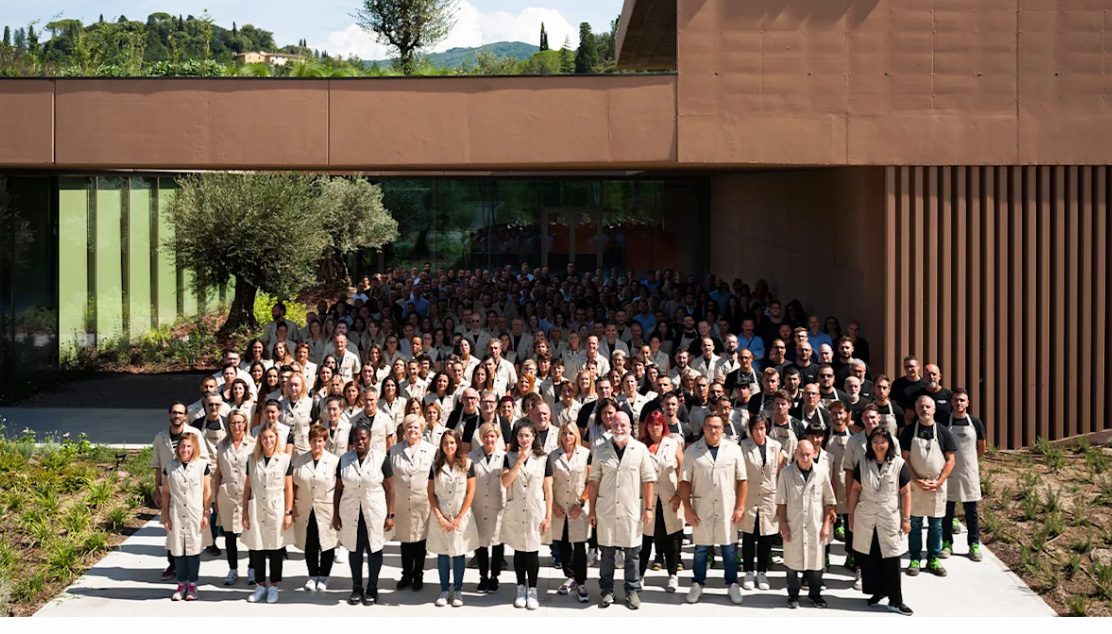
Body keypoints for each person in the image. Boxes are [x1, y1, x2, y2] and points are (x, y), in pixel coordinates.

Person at [588, 411, 656, 610]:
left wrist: (648, 508)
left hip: (631, 508)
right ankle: (606, 591)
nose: (619, 429)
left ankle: (631, 591)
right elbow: (593, 481)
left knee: (633, 553)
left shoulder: (640, 449)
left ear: (631, 427)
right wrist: (591, 510)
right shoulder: (600, 449)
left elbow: (648, 480)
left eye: (623, 425)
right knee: (607, 553)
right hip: (606, 509)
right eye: (615, 425)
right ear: (610, 427)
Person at [680, 414, 747, 605]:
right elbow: (684, 482)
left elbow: (742, 480)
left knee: (729, 549)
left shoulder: (734, 450)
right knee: (701, 549)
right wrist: (687, 509)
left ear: (723, 429)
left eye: (717, 426)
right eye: (709, 426)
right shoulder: (692, 451)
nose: (713, 430)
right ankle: (697, 583)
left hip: (727, 507)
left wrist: (740, 507)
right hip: (702, 508)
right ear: (703, 428)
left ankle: (732, 583)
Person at [847, 427, 913, 616]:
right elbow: (855, 489)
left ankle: (896, 600)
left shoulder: (899, 464)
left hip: (888, 516)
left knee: (891, 558)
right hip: (866, 516)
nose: (879, 445)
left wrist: (906, 519)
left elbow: (906, 493)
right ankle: (878, 592)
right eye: (875, 441)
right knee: (870, 558)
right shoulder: (863, 462)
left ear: (889, 443)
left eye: (883, 441)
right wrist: (851, 515)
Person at [333, 423, 396, 606]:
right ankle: (357, 587)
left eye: (363, 438)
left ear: (370, 439)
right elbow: (338, 490)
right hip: (350, 511)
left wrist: (390, 515)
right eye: (356, 439)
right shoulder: (344, 459)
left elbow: (390, 490)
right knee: (354, 549)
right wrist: (336, 515)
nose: (360, 442)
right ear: (352, 441)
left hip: (374, 511)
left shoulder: (381, 459)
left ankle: (372, 588)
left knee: (374, 549)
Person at [899, 396, 956, 577]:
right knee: (915, 524)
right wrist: (916, 479)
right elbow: (904, 459)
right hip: (915, 486)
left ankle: (933, 558)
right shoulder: (909, 432)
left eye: (928, 406)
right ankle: (915, 558)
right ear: (916, 410)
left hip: (936, 487)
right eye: (921, 406)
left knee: (936, 525)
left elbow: (951, 460)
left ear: (934, 409)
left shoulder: (944, 432)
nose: (924, 409)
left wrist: (939, 481)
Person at [500, 421, 554, 610]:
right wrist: (519, 461)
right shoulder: (508, 457)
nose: (523, 439)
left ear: (533, 437)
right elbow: (505, 482)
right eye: (520, 435)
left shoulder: (543, 458)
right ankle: (520, 587)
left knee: (532, 552)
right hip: (515, 509)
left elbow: (548, 490)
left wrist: (548, 516)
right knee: (518, 550)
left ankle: (533, 589)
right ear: (516, 437)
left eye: (527, 435)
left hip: (535, 510)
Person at [153, 402, 210, 580]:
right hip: (170, 487)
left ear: (186, 416)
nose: (177, 416)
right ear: (169, 414)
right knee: (172, 531)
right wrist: (156, 489)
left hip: (192, 488)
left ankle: (189, 576)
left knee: (191, 537)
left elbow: (204, 459)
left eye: (180, 413)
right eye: (174, 413)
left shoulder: (195, 434)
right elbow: (157, 465)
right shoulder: (160, 437)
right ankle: (173, 565)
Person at [776, 440, 836, 609]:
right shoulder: (786, 474)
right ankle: (793, 595)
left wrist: (826, 525)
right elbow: (781, 502)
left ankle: (815, 595)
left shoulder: (821, 473)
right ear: (795, 454)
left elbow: (829, 501)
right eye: (801, 454)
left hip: (815, 526)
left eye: (808, 454)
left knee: (815, 566)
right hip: (793, 525)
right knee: (791, 566)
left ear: (814, 454)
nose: (804, 458)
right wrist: (783, 525)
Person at [241, 422, 294, 604]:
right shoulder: (251, 459)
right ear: (260, 440)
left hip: (276, 508)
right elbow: (247, 487)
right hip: (256, 507)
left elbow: (288, 488)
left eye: (271, 437)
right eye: (264, 437)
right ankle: (260, 585)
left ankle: (273, 586)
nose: (268, 440)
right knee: (257, 548)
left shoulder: (284, 459)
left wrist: (288, 512)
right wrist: (244, 513)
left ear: (276, 438)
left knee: (276, 549)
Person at [427, 429, 480, 607]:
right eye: (445, 443)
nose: (448, 446)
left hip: (460, 515)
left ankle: (457, 590)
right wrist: (440, 517)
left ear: (457, 444)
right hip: (441, 516)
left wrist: (459, 518)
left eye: (452, 442)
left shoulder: (468, 464)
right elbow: (430, 493)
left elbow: (470, 492)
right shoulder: (435, 466)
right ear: (441, 446)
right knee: (442, 554)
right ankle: (444, 590)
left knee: (458, 554)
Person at [161, 431, 212, 601]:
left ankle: (192, 585)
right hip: (176, 513)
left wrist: (206, 513)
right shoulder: (170, 467)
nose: (185, 449)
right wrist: (165, 516)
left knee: (193, 550)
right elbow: (166, 493)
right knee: (178, 550)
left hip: (194, 514)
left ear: (194, 447)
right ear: (178, 448)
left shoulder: (202, 466)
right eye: (182, 446)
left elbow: (207, 491)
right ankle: (181, 584)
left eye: (189, 446)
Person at [638, 410, 684, 593]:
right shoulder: (640, 445)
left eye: (657, 424)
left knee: (672, 538)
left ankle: (673, 575)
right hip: (648, 498)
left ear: (662, 425)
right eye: (651, 424)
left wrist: (680, 494)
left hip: (669, 497)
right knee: (645, 538)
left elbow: (683, 470)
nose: (654, 428)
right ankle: (639, 575)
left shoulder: (672, 444)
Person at [389, 414, 436, 591]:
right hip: (402, 502)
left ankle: (418, 575)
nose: (412, 430)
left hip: (422, 501)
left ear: (421, 429)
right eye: (409, 427)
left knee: (420, 541)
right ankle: (406, 575)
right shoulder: (394, 451)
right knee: (405, 541)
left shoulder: (431, 450)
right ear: (404, 429)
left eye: (416, 427)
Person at [292, 424, 340, 592]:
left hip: (326, 508)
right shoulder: (300, 460)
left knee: (327, 542)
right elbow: (294, 485)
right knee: (310, 542)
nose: (317, 444)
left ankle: (324, 576)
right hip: (305, 507)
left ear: (325, 442)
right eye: (314, 440)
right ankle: (312, 575)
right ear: (309, 441)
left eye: (320, 441)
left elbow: (338, 488)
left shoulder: (334, 461)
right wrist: (292, 506)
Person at [738, 415, 784, 591]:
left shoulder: (776, 446)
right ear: (751, 430)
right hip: (749, 495)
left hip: (769, 496)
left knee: (766, 536)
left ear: (767, 429)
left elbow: (779, 471)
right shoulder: (743, 446)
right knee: (749, 535)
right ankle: (749, 572)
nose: (759, 432)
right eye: (756, 428)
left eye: (762, 428)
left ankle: (762, 572)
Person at [941, 388, 986, 562]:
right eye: (956, 400)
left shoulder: (976, 422)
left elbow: (981, 448)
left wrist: (968, 462)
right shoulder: (944, 422)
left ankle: (973, 545)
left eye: (962, 400)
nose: (958, 403)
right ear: (951, 402)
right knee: (947, 511)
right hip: (949, 472)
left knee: (971, 511)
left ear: (967, 403)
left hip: (968, 473)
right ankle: (947, 543)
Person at [549, 422, 592, 603]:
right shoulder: (553, 456)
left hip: (578, 506)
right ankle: (570, 577)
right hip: (560, 506)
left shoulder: (586, 454)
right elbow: (547, 483)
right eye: (564, 433)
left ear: (576, 435)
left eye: (571, 433)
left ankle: (581, 582)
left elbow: (591, 481)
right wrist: (553, 505)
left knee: (580, 546)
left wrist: (581, 503)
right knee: (563, 544)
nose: (567, 437)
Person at [213, 410, 255, 586]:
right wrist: (215, 498)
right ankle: (233, 569)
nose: (236, 426)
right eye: (233, 423)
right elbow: (218, 473)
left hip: (248, 494)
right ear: (228, 425)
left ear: (245, 424)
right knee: (229, 535)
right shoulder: (222, 446)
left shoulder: (253, 444)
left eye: (239, 422)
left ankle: (252, 569)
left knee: (251, 534)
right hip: (228, 493)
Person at [469, 421, 507, 593]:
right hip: (478, 504)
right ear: (481, 438)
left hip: (498, 504)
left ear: (497, 437)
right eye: (486, 436)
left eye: (492, 436)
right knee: (481, 543)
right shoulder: (472, 457)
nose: (489, 439)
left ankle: (495, 577)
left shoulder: (504, 456)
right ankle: (483, 576)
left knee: (497, 542)